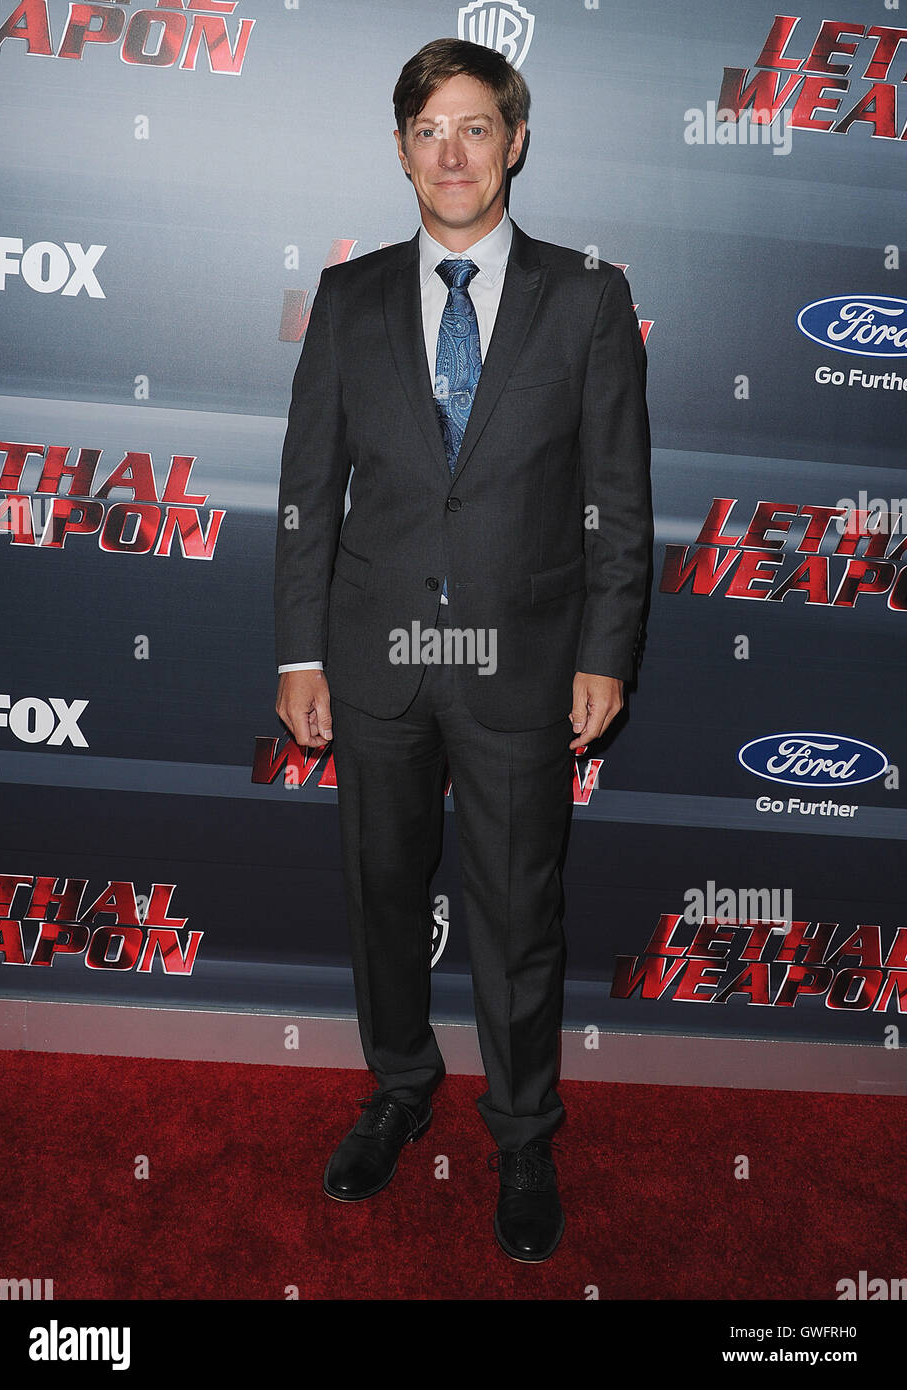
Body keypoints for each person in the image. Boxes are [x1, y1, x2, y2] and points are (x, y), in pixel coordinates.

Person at [274, 36, 651, 1263]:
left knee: (516, 913)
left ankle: (523, 1132)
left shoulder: (588, 300)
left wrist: (606, 650)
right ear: (399, 151)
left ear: (516, 140)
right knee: (381, 897)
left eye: (475, 127)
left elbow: (619, 498)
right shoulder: (349, 297)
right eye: (428, 130)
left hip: (524, 662)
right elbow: (303, 492)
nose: (451, 152)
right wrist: (298, 655)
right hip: (373, 657)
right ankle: (396, 1085)